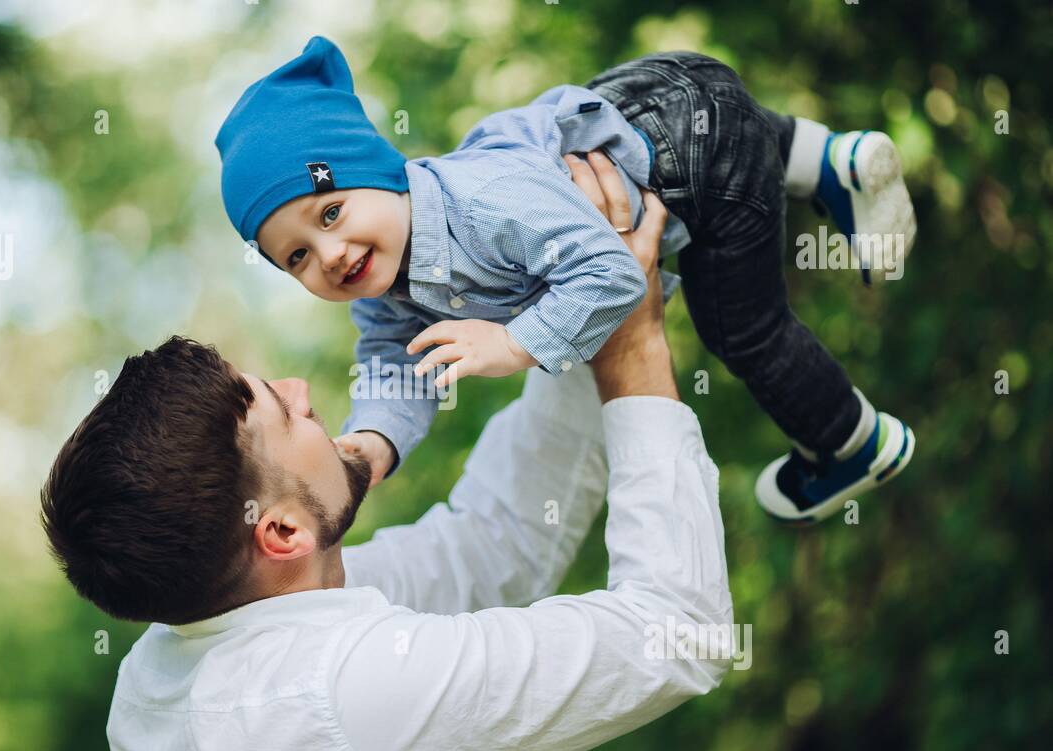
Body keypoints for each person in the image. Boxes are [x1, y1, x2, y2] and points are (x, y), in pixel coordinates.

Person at [40, 156, 734, 751]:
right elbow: (676, 633)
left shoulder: (160, 670)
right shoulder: (344, 693)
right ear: (281, 532)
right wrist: (634, 341)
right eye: (284, 411)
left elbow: (491, 548)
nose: (303, 392)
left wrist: (575, 313)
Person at [214, 37, 916, 524]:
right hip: (666, 97)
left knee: (744, 330)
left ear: (379, 168)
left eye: (331, 213)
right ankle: (833, 159)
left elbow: (612, 271)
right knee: (670, 124)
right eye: (296, 257)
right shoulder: (389, 290)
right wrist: (373, 441)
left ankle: (852, 443)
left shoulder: (482, 202)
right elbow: (396, 367)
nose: (329, 254)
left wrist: (514, 344)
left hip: (696, 155)